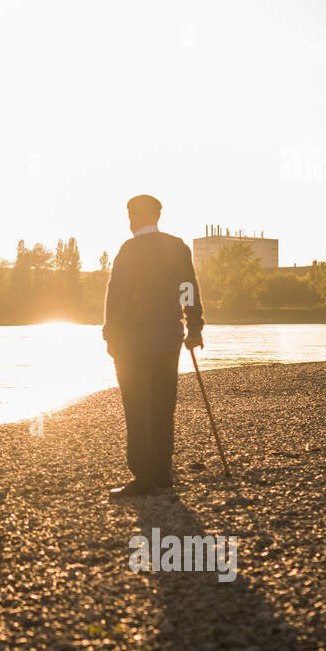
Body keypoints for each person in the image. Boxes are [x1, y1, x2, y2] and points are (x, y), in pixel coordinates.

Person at [102, 194, 203, 497]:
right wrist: (194, 327)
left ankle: (144, 477)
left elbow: (116, 297)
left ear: (132, 218)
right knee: (162, 405)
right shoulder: (177, 247)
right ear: (158, 217)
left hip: (132, 342)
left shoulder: (129, 250)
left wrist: (110, 336)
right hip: (167, 338)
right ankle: (162, 473)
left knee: (137, 408)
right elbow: (188, 289)